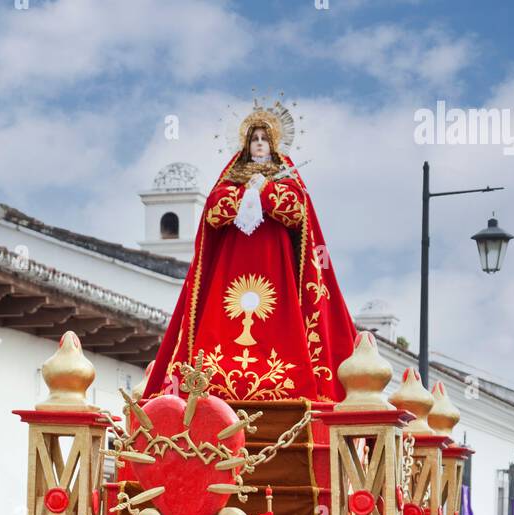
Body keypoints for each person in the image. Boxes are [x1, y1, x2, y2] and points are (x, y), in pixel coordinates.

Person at [141, 105, 355, 411]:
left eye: (264, 139)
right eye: (253, 138)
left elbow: (297, 211)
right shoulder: (231, 178)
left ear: (273, 144)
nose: (258, 143)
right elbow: (214, 212)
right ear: (245, 143)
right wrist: (244, 194)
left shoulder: (287, 179)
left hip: (275, 266)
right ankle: (212, 376)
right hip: (232, 265)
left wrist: (266, 190)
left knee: (277, 323)